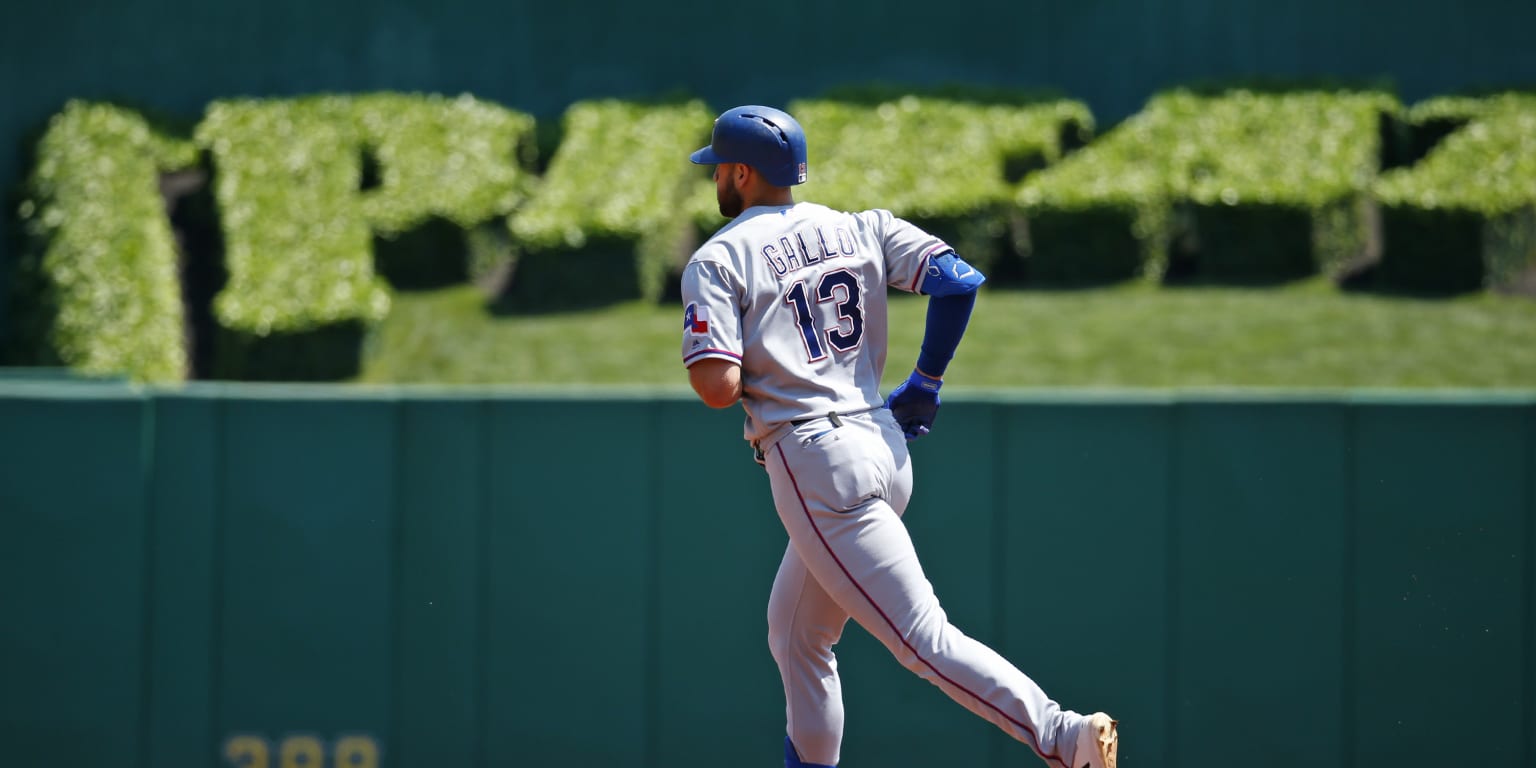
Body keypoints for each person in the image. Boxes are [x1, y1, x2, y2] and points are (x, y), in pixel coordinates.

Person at [678, 104, 1118, 768]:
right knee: (796, 636)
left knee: (922, 639)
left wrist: (763, 361)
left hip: (818, 464)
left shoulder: (718, 257)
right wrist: (926, 381)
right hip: (884, 447)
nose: (715, 179)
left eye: (719, 169)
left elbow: (716, 386)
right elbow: (957, 281)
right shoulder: (860, 226)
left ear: (742, 173)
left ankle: (1064, 736)